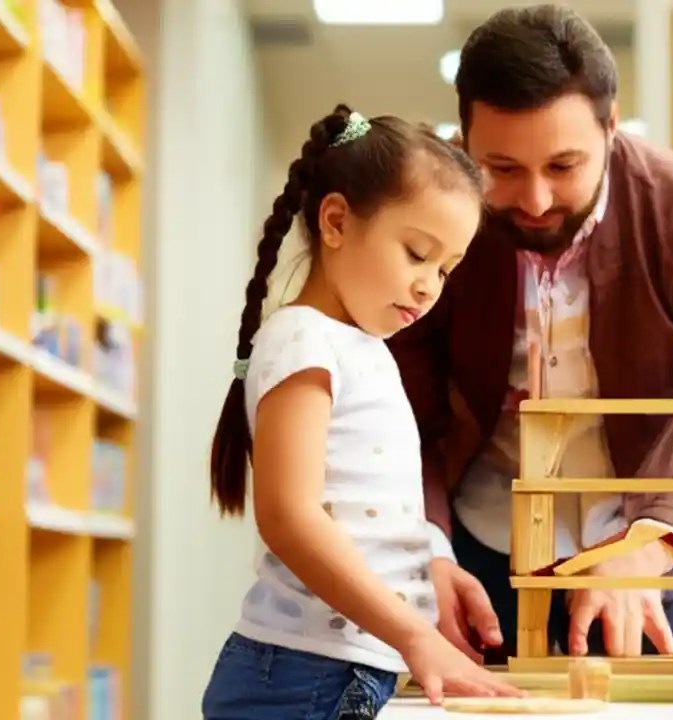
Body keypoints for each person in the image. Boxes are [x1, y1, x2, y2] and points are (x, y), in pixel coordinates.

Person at [387, 5, 673, 665]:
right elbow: (402, 417)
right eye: (504, 169)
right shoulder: (425, 222)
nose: (538, 200)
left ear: (611, 127)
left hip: (654, 548)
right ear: (462, 143)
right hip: (476, 547)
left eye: (564, 165)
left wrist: (653, 543)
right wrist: (427, 547)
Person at [201, 104, 524, 720]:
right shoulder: (303, 338)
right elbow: (289, 517)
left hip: (339, 667)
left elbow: (370, 502)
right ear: (337, 221)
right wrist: (413, 634)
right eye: (416, 253)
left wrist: (434, 563)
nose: (430, 285)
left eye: (445, 270)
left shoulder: (365, 350)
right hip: (304, 674)